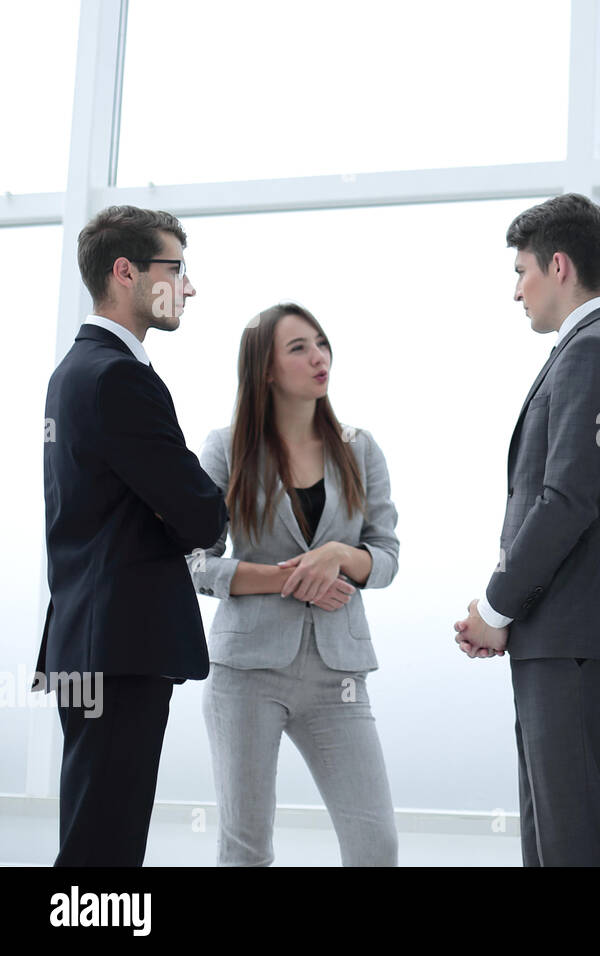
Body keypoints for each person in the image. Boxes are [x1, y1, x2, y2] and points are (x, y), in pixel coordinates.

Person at [453, 193, 600, 866]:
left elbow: (566, 501)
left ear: (560, 266)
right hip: (572, 635)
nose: (517, 292)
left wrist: (494, 606)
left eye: (522, 272)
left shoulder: (594, 354)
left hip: (572, 635)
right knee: (553, 836)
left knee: (568, 843)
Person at [36, 205, 227, 866]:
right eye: (177, 269)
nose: (190, 287)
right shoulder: (118, 375)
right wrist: (199, 510)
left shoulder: (76, 370)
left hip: (91, 638)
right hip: (119, 646)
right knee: (103, 849)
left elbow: (142, 507)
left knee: (96, 838)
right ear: (127, 272)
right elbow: (201, 515)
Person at [189, 302, 400, 866]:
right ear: (265, 369)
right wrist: (288, 580)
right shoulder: (226, 447)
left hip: (339, 677)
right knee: (246, 848)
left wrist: (335, 555)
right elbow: (194, 564)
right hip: (246, 674)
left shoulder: (359, 447)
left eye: (322, 342)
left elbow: (386, 557)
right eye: (299, 347)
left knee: (375, 847)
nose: (319, 357)